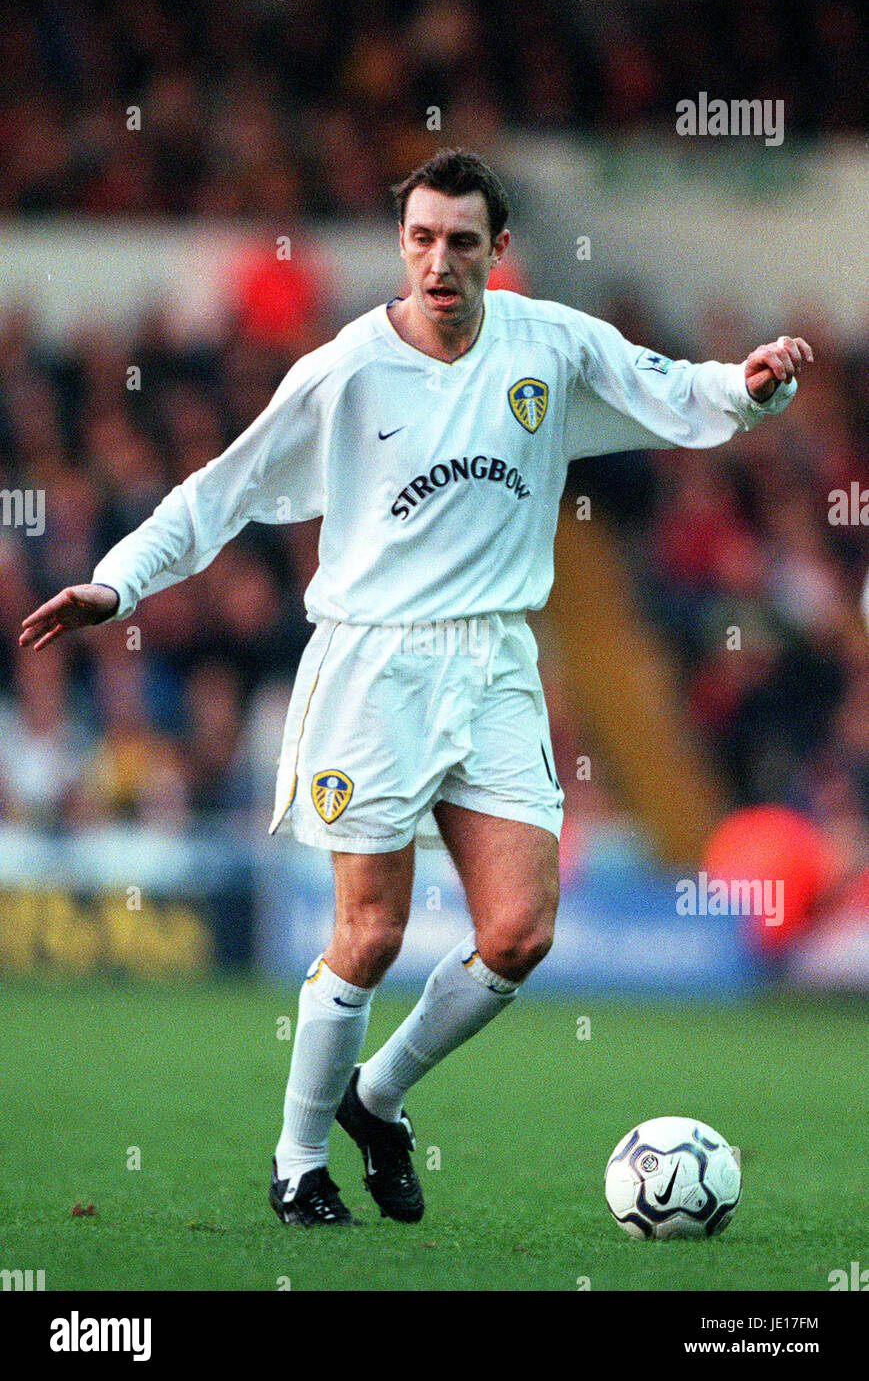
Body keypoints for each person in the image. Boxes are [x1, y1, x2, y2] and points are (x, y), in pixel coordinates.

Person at [20, 149, 813, 1228]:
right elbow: (222, 489)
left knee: (521, 929)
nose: (440, 261)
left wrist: (748, 388)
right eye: (422, 239)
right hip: (371, 664)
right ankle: (298, 1159)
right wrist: (116, 582)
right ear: (403, 245)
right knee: (372, 932)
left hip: (491, 661)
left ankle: (375, 1096)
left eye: (462, 241)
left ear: (499, 251)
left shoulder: (548, 342)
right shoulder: (344, 370)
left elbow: (670, 390)